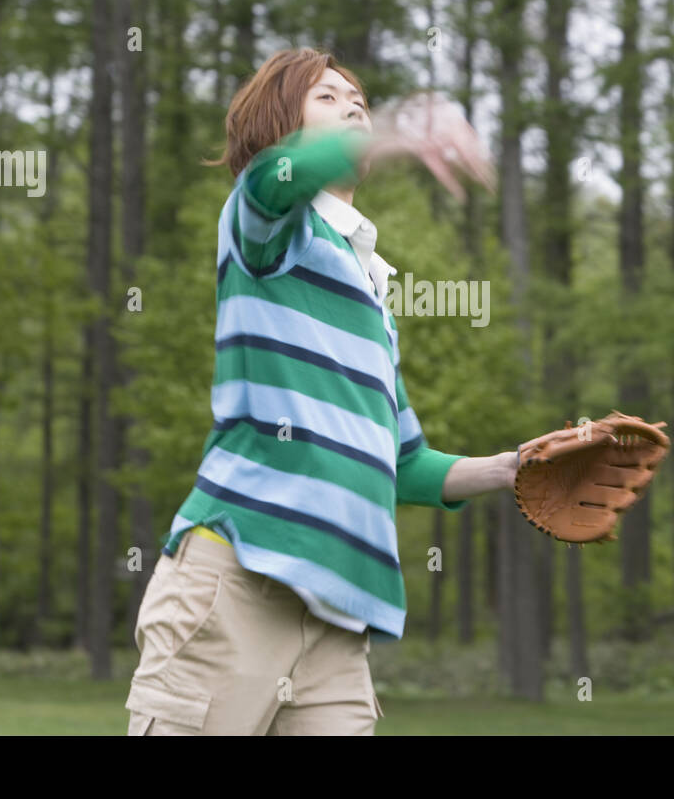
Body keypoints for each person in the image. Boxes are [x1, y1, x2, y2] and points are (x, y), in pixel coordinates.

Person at [125, 47, 516, 735]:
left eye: (357, 100)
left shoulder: (371, 292)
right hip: (236, 584)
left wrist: (517, 469)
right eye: (327, 98)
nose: (352, 109)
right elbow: (276, 177)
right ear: (281, 127)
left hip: (338, 620)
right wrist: (401, 127)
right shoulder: (267, 224)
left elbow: (403, 462)